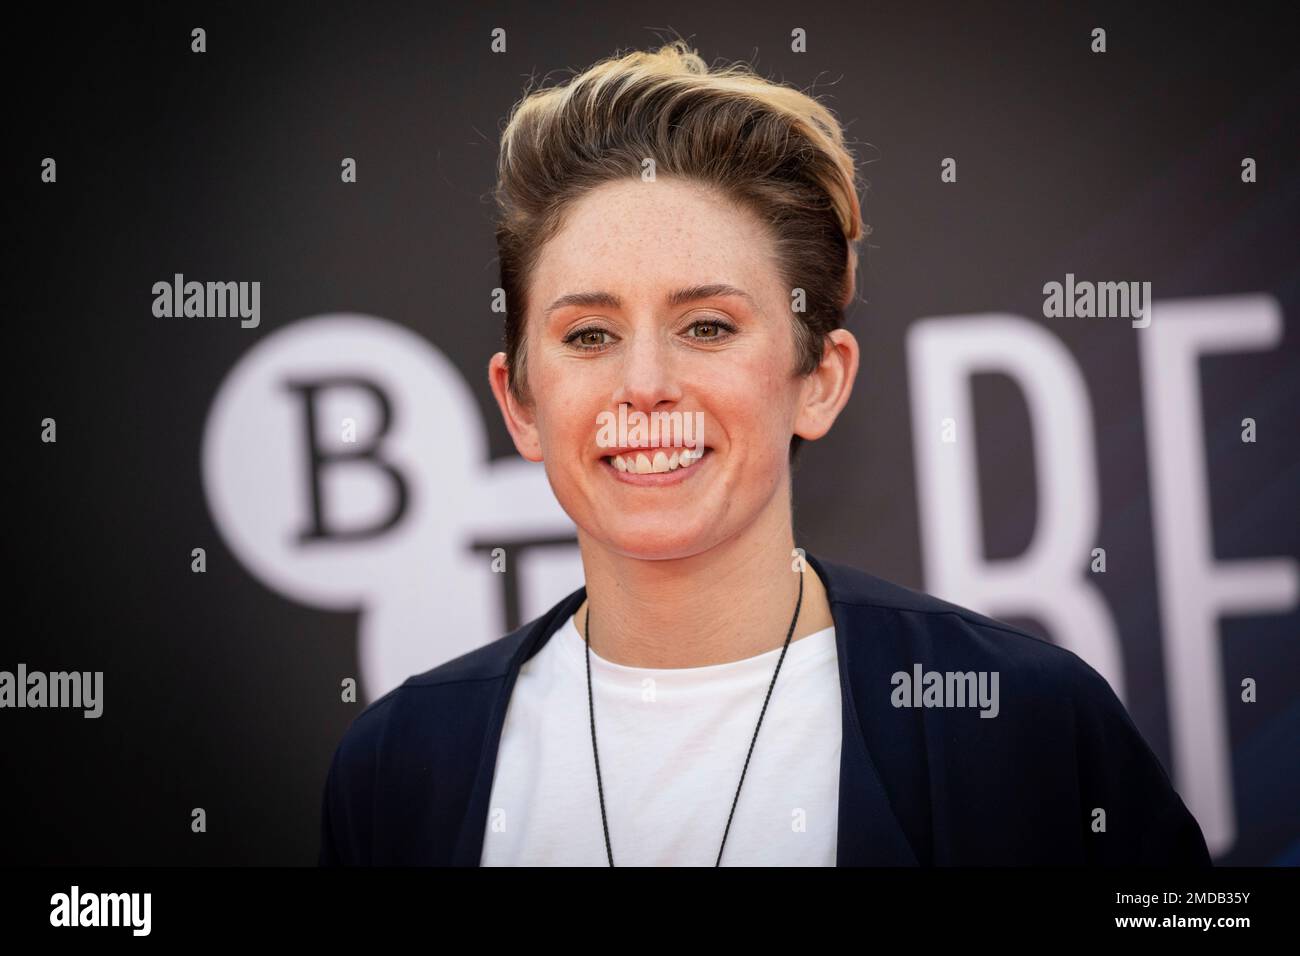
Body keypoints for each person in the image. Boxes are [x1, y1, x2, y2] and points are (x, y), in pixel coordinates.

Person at [318, 40, 1211, 866]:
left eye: (707, 326)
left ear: (818, 378)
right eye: (589, 335)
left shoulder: (1023, 723)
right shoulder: (399, 768)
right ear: (520, 403)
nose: (645, 384)